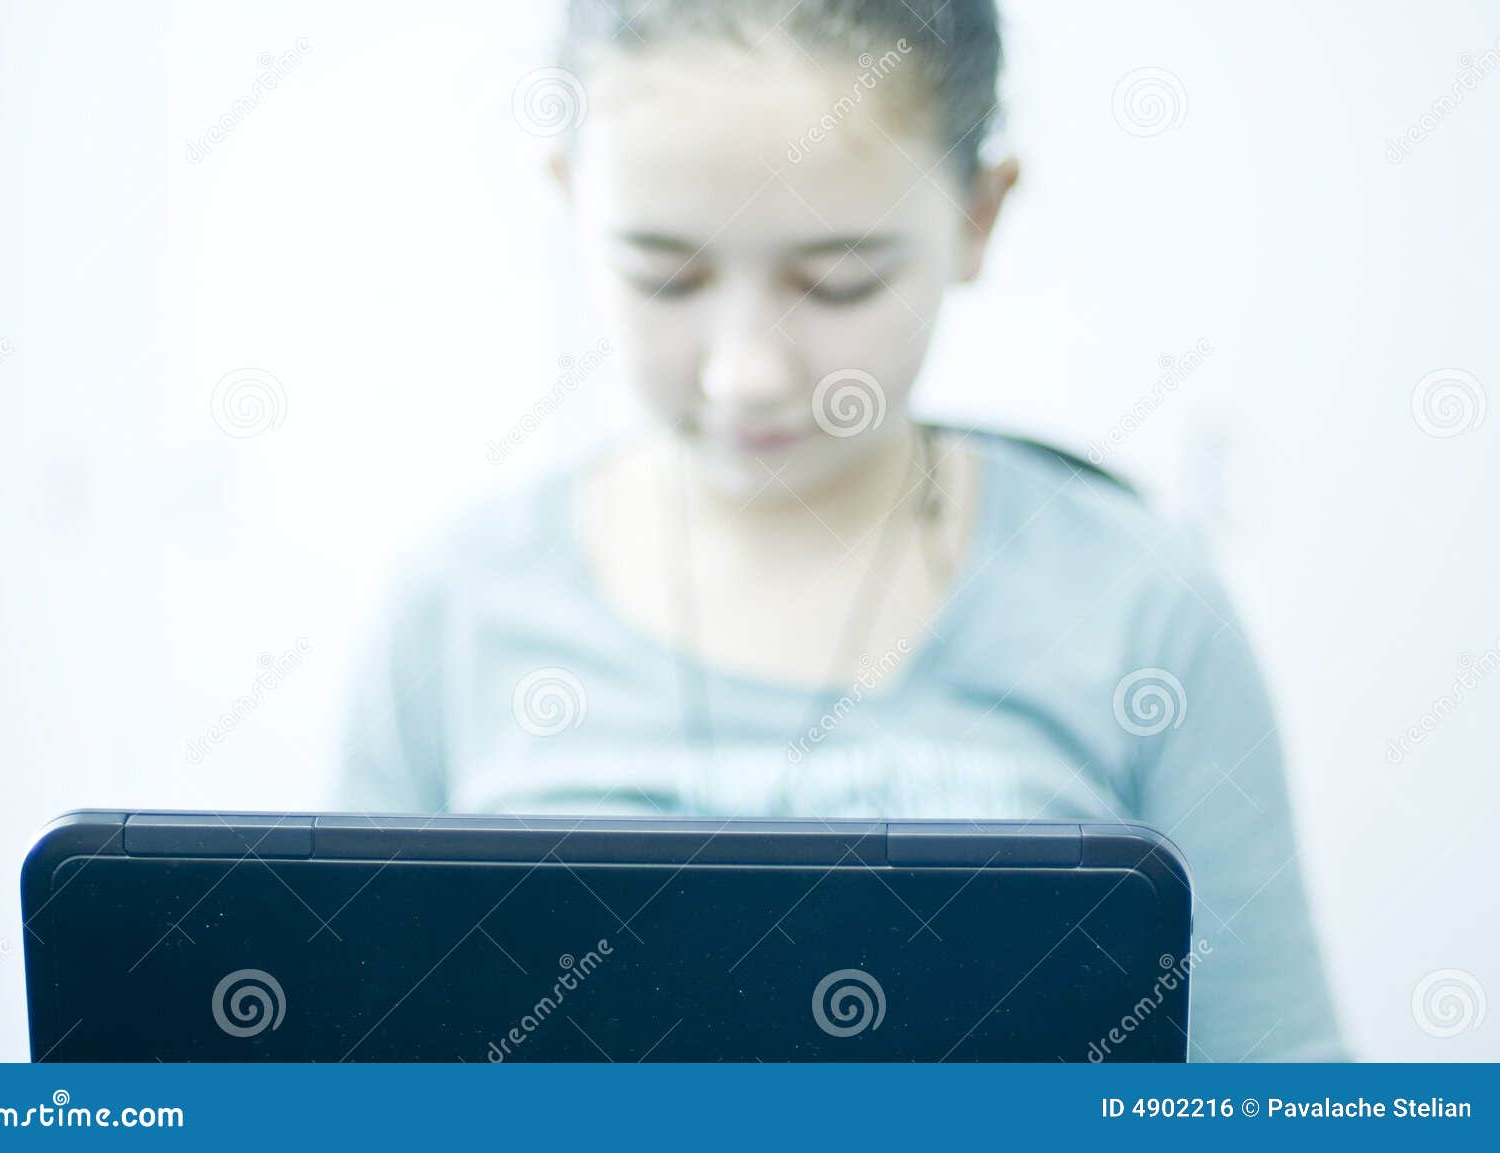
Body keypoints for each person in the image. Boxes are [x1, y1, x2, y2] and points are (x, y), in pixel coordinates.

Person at [341, 0, 1346, 1061]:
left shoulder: (1139, 603)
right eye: (663, 275)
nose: (746, 372)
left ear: (978, 217)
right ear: (567, 201)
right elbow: (337, 1076)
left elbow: (1278, 1087)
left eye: (839, 281)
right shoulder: (453, 602)